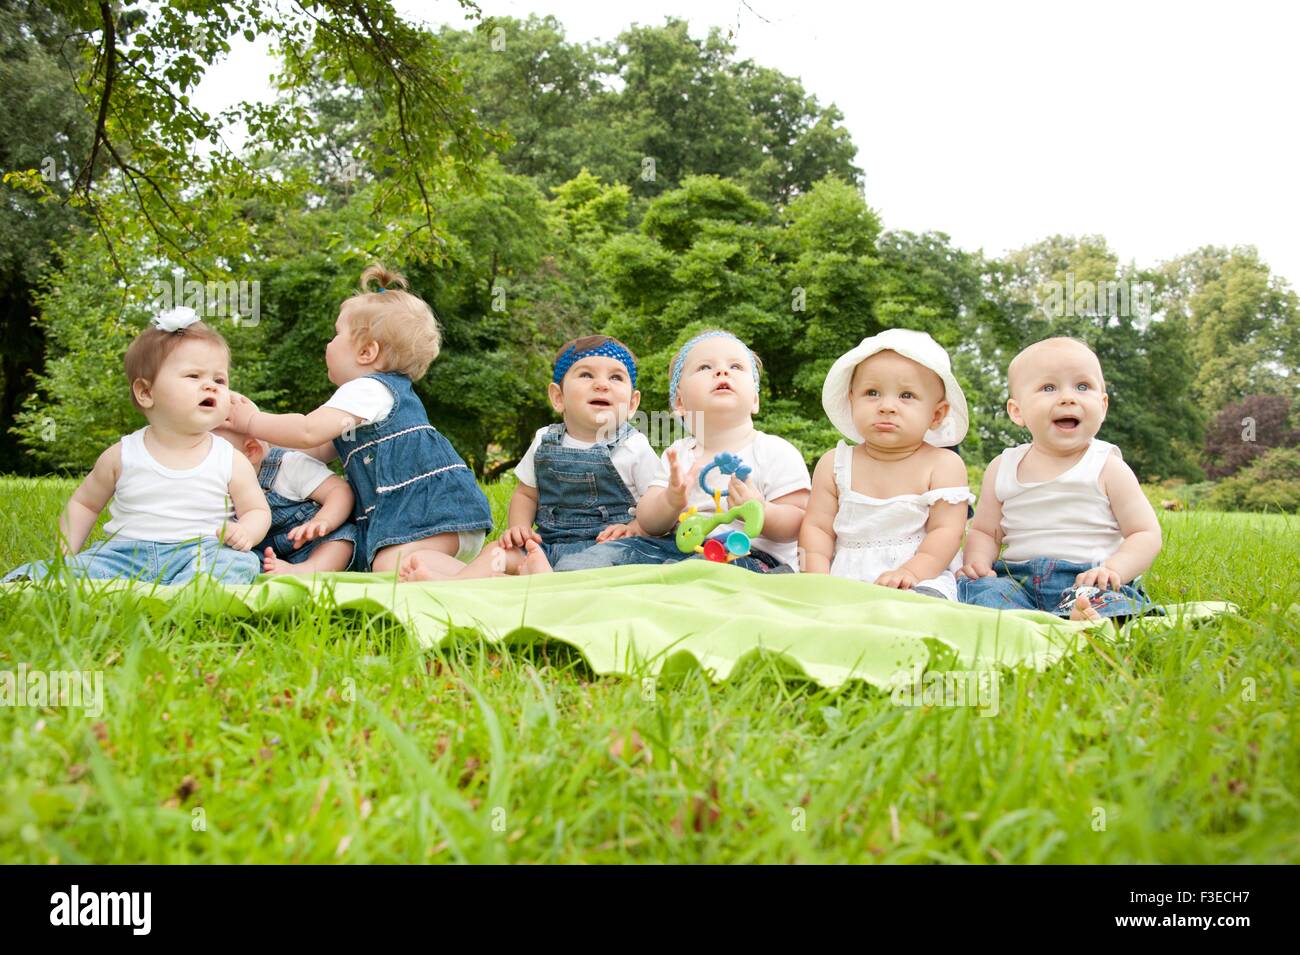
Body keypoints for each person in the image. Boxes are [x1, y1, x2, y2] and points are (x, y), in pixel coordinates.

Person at [224, 263, 492, 577]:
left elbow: (307, 431)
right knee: (393, 568)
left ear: (366, 352)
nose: (328, 344)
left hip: (433, 512)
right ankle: (487, 571)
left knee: (388, 566)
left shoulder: (369, 389)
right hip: (428, 516)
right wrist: (258, 447)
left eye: (336, 335)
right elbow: (313, 450)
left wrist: (252, 421)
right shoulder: (360, 406)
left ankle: (483, 568)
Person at [4, 308, 269, 585]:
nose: (211, 387)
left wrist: (246, 532)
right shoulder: (122, 454)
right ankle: (31, 581)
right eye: (193, 376)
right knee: (71, 570)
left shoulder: (229, 459)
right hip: (124, 556)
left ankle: (193, 590)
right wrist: (65, 552)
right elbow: (84, 504)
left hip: (200, 552)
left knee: (237, 562)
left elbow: (257, 510)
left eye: (219, 380)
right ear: (145, 392)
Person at [554, 329, 810, 574]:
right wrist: (671, 500)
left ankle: (660, 591)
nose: (722, 371)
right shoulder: (678, 454)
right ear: (680, 402)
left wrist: (761, 508)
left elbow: (798, 523)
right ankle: (576, 575)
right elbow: (650, 524)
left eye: (736, 367)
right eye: (704, 367)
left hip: (746, 555)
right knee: (603, 555)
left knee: (699, 573)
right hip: (676, 549)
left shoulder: (775, 450)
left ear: (755, 399)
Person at [958, 337, 1163, 621]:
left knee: (1104, 599)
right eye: (1048, 387)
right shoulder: (1002, 467)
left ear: (1102, 406)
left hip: (1088, 577)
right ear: (1017, 411)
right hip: (1018, 579)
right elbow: (985, 531)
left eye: (1083, 386)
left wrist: (1115, 569)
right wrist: (978, 563)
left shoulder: (1107, 466)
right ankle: (1025, 621)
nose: (1068, 397)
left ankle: (1081, 616)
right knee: (982, 591)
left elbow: (1145, 533)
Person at [799, 329, 973, 598]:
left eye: (906, 396)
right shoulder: (835, 463)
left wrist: (911, 572)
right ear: (851, 400)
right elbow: (818, 527)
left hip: (921, 575)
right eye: (872, 392)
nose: (887, 406)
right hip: (845, 574)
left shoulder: (943, 465)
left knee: (922, 606)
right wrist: (818, 578)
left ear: (936, 414)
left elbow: (946, 531)